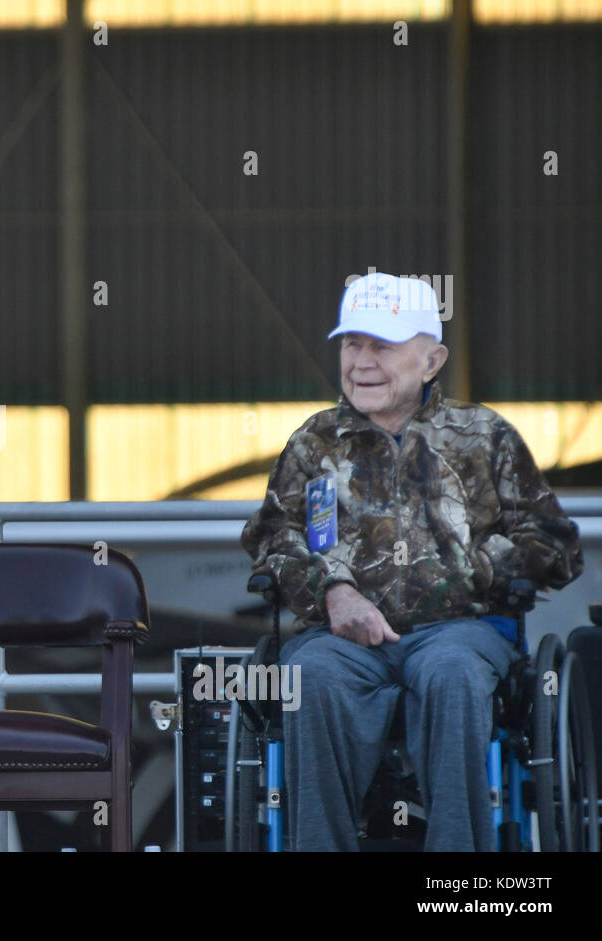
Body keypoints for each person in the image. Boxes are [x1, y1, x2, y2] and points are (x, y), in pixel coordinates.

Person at [241, 271, 582, 851]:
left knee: (450, 676)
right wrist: (333, 590)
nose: (362, 362)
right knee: (308, 677)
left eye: (383, 345)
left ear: (431, 360)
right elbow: (274, 539)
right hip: (340, 640)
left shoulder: (483, 437)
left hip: (460, 635)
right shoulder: (315, 442)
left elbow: (555, 547)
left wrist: (464, 571)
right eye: (352, 344)